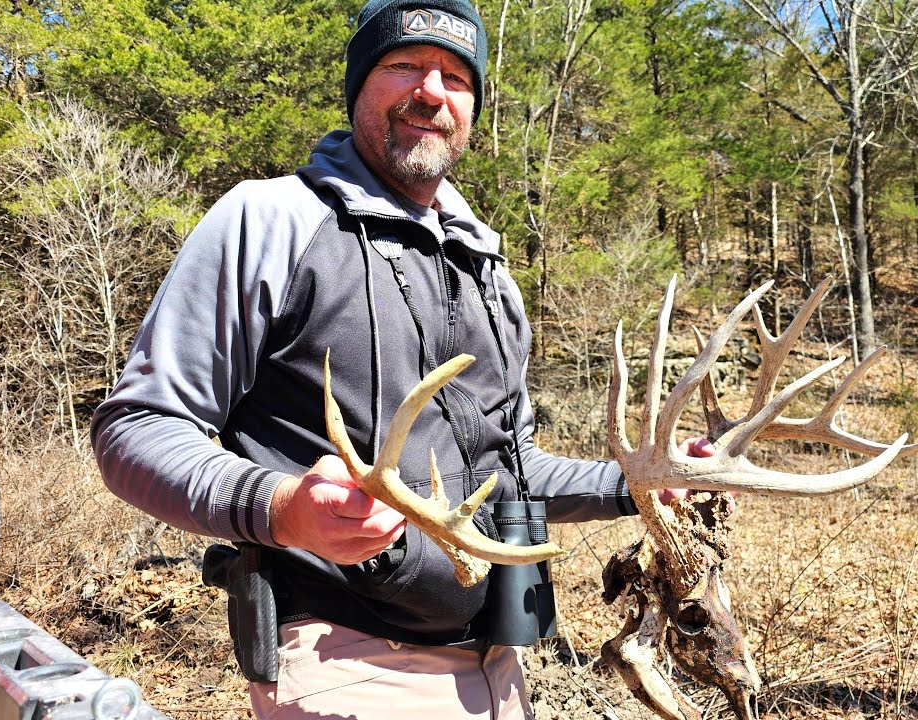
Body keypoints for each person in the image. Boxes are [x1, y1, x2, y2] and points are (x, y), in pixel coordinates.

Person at [92, 1, 698, 717]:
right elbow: (136, 427)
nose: (432, 91)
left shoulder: (487, 269)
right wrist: (281, 509)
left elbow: (512, 469)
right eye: (403, 65)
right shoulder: (270, 221)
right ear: (358, 87)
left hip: (499, 665)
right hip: (342, 657)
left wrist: (636, 485)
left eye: (455, 76)